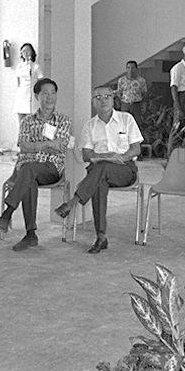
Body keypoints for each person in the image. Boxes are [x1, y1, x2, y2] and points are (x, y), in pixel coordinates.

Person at [54, 85, 143, 254]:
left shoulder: (127, 118)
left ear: (113, 98)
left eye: (107, 96)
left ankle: (72, 203)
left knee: (100, 169)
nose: (103, 100)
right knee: (99, 179)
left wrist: (119, 158)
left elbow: (136, 149)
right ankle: (101, 237)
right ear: (93, 102)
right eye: (98, 97)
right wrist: (108, 156)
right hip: (99, 171)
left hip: (124, 169)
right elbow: (87, 155)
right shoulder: (90, 126)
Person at [0, 78, 72, 251]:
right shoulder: (27, 121)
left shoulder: (63, 120)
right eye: (45, 93)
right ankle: (31, 235)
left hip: (51, 168)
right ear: (37, 96)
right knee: (29, 177)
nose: (49, 97)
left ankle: (8, 212)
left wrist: (35, 147)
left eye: (53, 93)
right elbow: (23, 146)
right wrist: (47, 145)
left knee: (28, 169)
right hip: (27, 169)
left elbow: (60, 148)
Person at [13, 43, 44, 123]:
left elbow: (41, 81)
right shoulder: (19, 66)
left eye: (28, 51)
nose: (26, 53)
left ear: (32, 52)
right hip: (21, 94)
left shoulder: (35, 66)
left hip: (31, 95)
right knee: (21, 121)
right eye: (23, 51)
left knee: (32, 120)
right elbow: (17, 82)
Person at [115, 60, 147, 127]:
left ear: (136, 69)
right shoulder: (121, 80)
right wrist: (121, 102)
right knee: (124, 123)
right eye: (128, 68)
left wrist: (144, 104)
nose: (130, 70)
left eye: (132, 68)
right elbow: (119, 92)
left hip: (136, 104)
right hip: (125, 104)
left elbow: (144, 93)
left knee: (136, 124)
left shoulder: (141, 80)